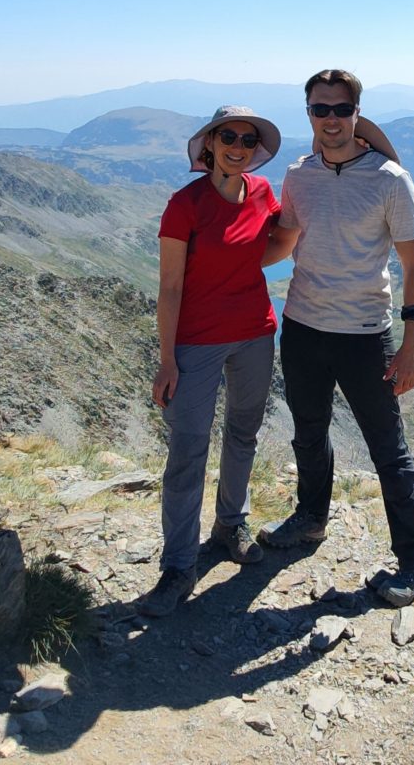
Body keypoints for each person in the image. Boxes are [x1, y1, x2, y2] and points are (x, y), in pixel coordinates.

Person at [258, 68, 414, 607]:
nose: (329, 119)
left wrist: (410, 345)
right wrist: (213, 263)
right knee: (308, 433)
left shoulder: (389, 179)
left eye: (340, 109)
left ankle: (412, 559)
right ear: (308, 112)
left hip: (364, 334)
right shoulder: (299, 175)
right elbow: (285, 242)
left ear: (357, 114)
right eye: (319, 109)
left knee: (389, 450)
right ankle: (311, 519)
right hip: (304, 327)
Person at [139, 105, 285, 618]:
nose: (239, 145)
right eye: (229, 136)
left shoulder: (263, 194)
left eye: (248, 139)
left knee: (243, 433)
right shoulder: (185, 205)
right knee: (187, 452)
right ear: (209, 145)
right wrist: (166, 359)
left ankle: (230, 524)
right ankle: (178, 566)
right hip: (196, 344)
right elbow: (170, 287)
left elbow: (274, 244)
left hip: (256, 334)